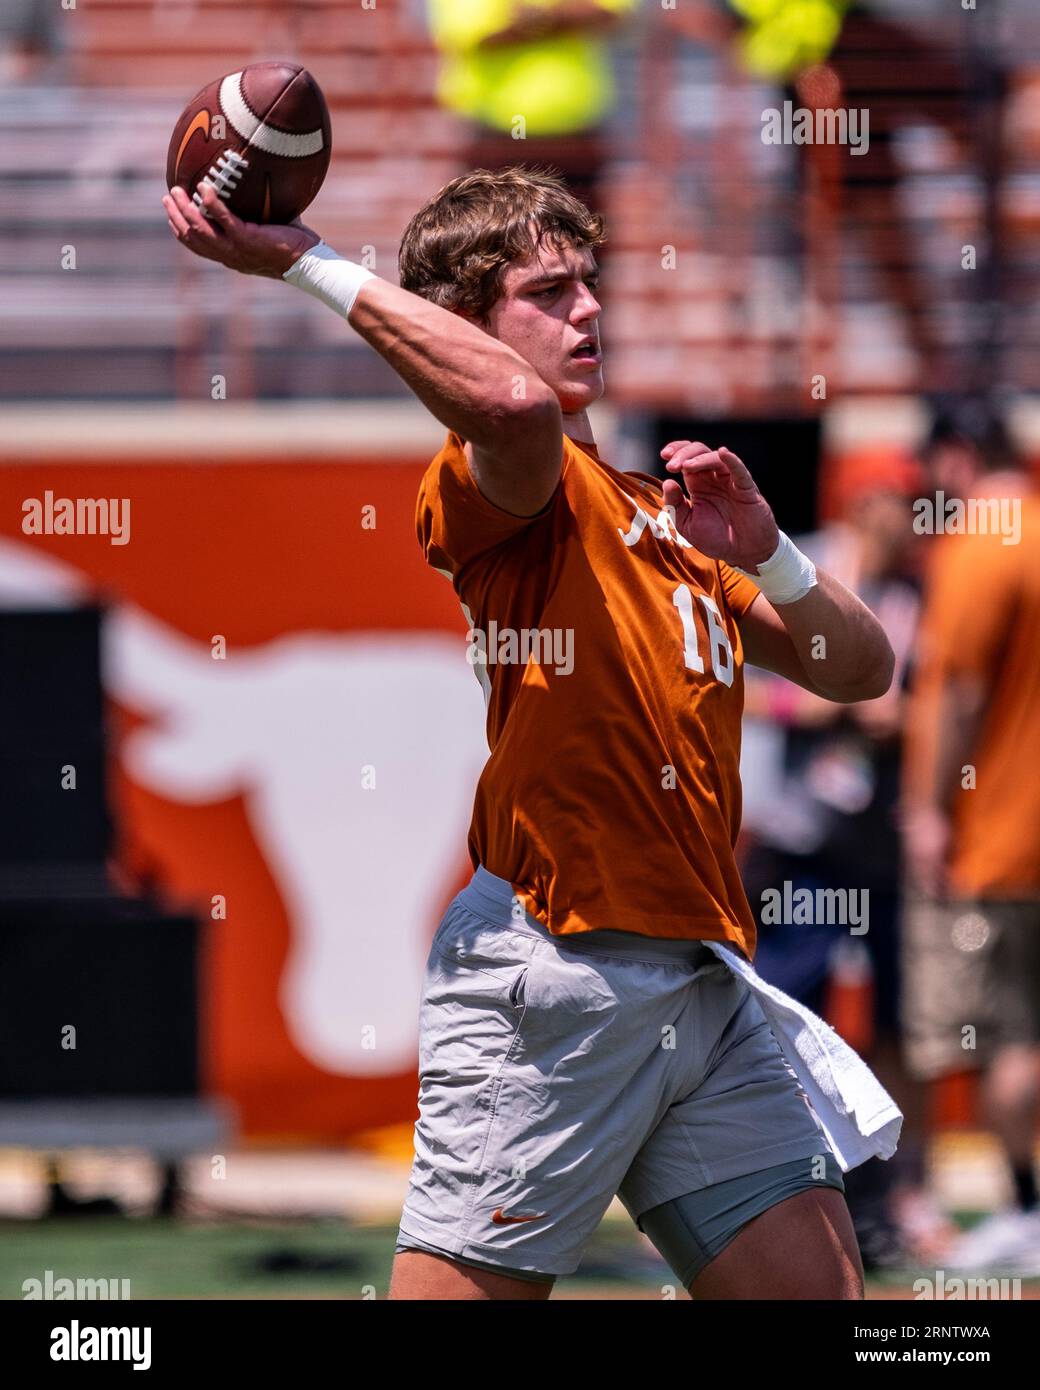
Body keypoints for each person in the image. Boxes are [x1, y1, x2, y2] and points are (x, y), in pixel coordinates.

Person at [162, 164, 899, 1301]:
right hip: (553, 974)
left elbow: (858, 667)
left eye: (589, 284)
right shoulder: (506, 480)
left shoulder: (664, 514)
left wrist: (770, 554)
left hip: (699, 981)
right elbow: (508, 407)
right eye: (548, 292)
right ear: (468, 324)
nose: (590, 309)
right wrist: (302, 260)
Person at [903, 411, 1040, 1276]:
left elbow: (954, 692)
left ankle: (1027, 1207)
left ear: (957, 457)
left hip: (997, 834)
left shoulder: (977, 548)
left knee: (1008, 1033)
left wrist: (926, 809)